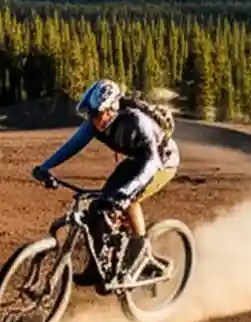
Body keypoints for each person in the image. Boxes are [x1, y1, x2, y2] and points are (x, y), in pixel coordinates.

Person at [32, 79, 179, 284]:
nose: (93, 120)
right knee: (98, 208)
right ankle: (96, 267)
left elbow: (152, 162)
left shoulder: (136, 122)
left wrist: (125, 192)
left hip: (162, 163)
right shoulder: (95, 123)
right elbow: (72, 145)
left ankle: (138, 258)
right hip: (137, 159)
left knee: (129, 199)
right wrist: (45, 167)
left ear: (111, 110)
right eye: (91, 115)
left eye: (97, 115)